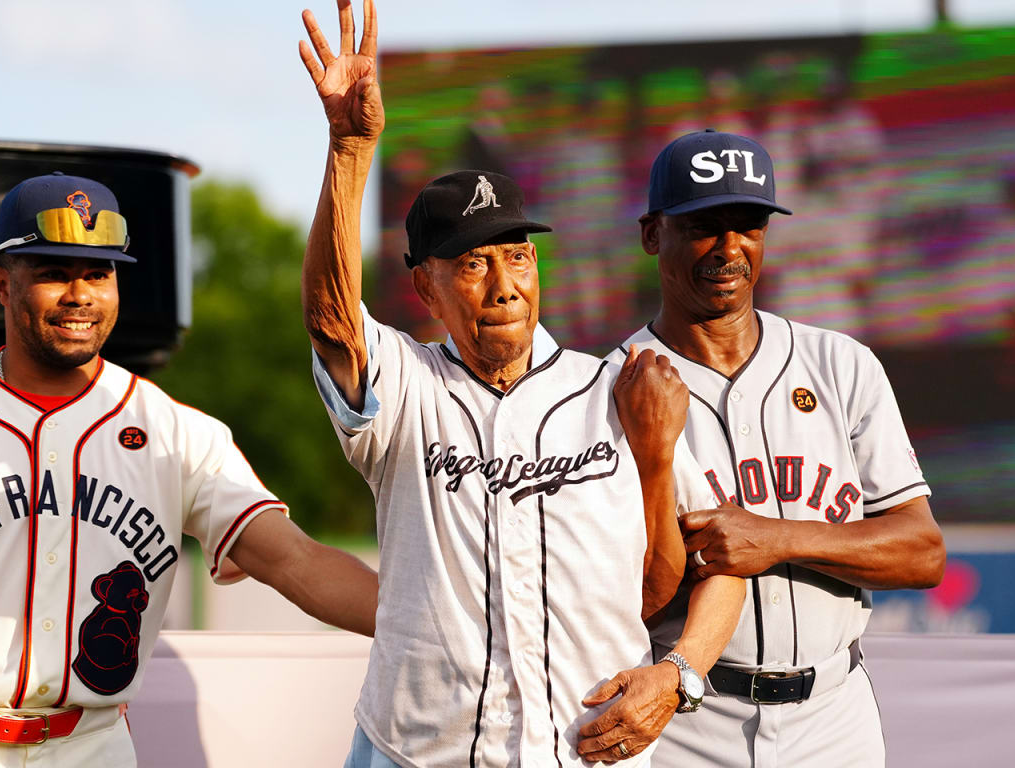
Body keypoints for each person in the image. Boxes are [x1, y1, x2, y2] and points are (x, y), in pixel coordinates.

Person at [295, 3, 744, 766]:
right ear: (425, 289)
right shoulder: (406, 387)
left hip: (584, 751)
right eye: (472, 263)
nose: (504, 284)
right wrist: (350, 150)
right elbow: (334, 317)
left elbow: (720, 567)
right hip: (416, 754)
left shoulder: (619, 388)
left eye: (518, 255)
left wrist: (680, 672)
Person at [0, 171, 380, 767]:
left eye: (98, 273)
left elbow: (294, 559)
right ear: (2, 284)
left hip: (92, 744)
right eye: (54, 272)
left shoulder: (174, 430)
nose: (80, 294)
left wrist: (441, 626)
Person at [609, 130, 946, 767]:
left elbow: (923, 554)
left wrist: (778, 537)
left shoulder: (841, 365)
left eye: (749, 225)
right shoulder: (608, 389)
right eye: (705, 225)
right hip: (687, 721)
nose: (730, 248)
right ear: (653, 234)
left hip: (833, 715)